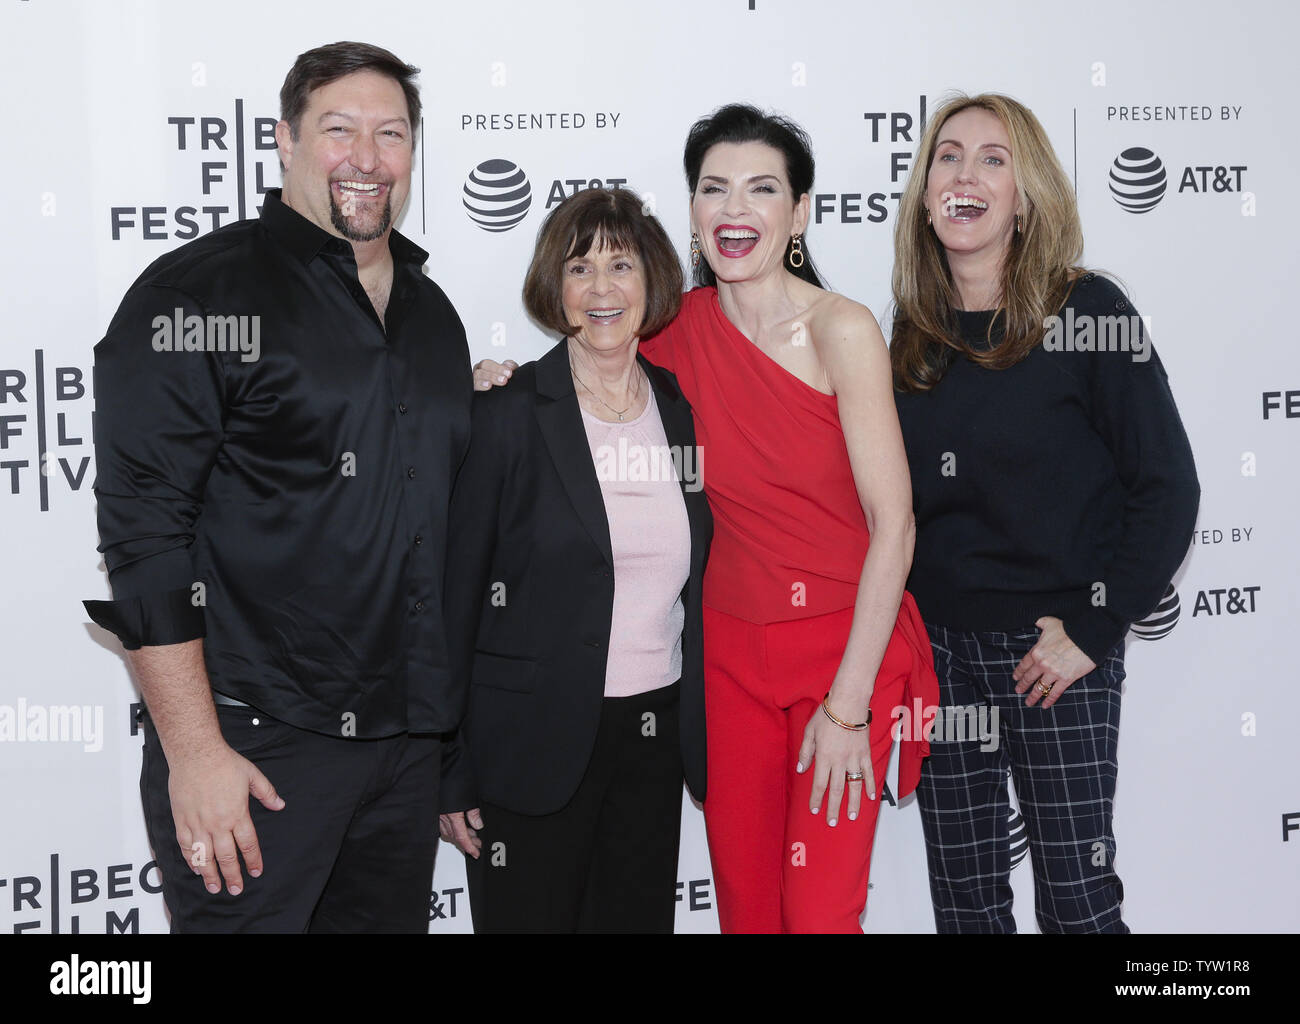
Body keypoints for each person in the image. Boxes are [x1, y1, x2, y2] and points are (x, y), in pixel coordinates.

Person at [474, 105, 938, 934]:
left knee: (823, 917)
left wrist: (849, 709)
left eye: (762, 189)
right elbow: (584, 356)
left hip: (841, 657)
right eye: (713, 188)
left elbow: (894, 525)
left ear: (799, 213)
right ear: (691, 209)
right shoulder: (670, 329)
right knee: (748, 916)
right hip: (723, 667)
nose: (734, 209)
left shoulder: (844, 330)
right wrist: (496, 380)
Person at [83, 41, 472, 933]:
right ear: (285, 139)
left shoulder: (433, 315)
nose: (367, 158)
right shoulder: (196, 296)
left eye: (392, 133)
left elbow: (436, 524)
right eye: (339, 130)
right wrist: (194, 751)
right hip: (256, 748)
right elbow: (145, 539)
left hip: (405, 750)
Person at [890, 92, 1200, 933]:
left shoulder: (1088, 310)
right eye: (948, 157)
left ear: (1026, 196)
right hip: (942, 660)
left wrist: (1092, 630)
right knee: (965, 905)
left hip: (1057, 656)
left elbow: (1168, 487)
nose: (966, 175)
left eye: (995, 160)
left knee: (1077, 904)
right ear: (924, 192)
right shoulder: (912, 333)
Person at [437, 187, 711, 933]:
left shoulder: (678, 409)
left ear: (651, 279)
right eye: (579, 268)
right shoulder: (507, 410)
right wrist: (449, 769)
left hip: (652, 744)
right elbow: (454, 598)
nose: (601, 289)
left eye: (620, 266)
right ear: (553, 290)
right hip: (526, 750)